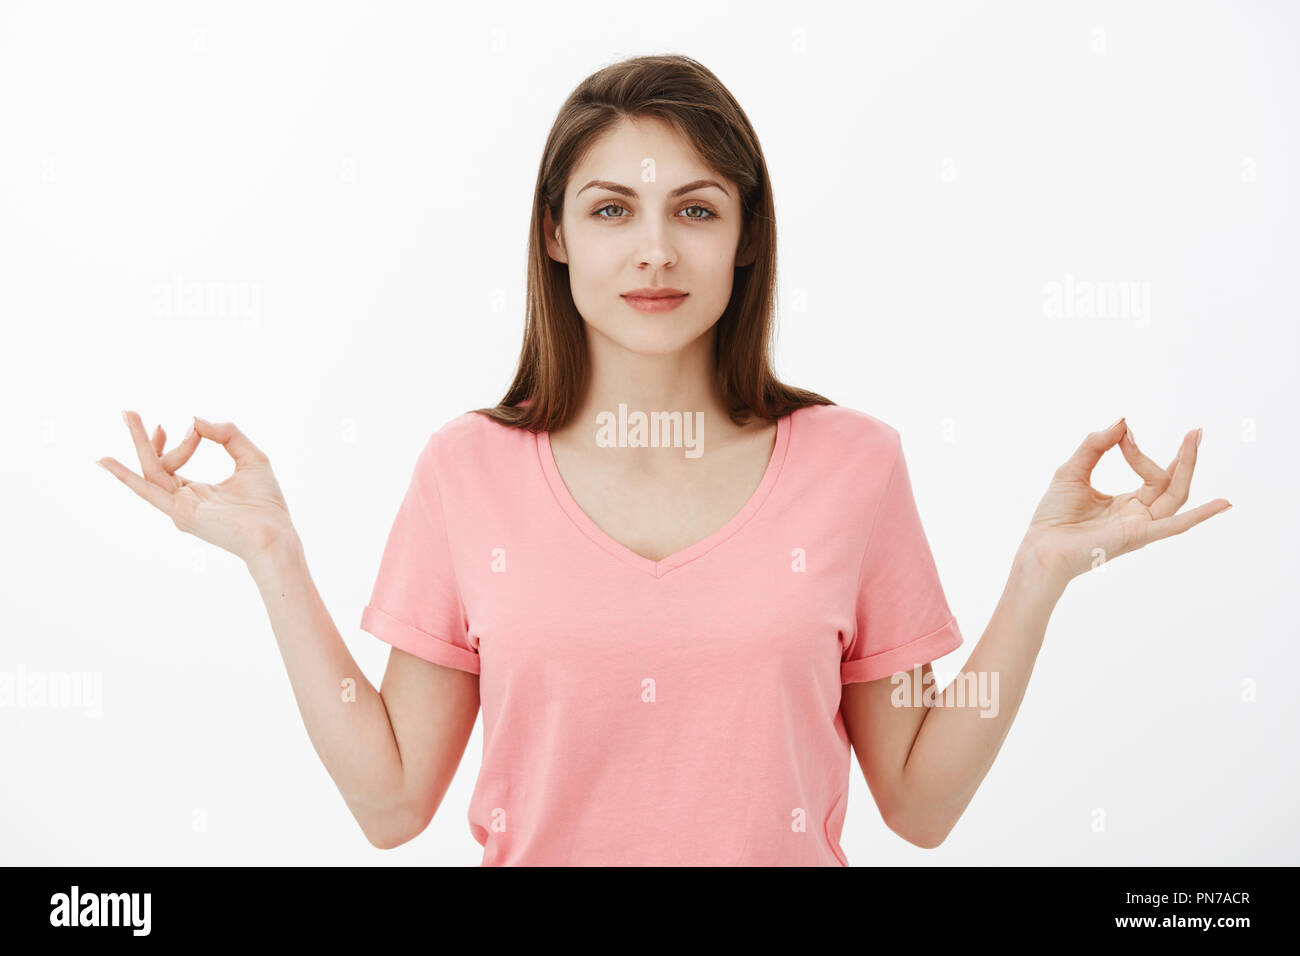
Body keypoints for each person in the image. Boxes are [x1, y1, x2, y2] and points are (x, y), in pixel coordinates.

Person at [97, 54, 1231, 866]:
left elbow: (920, 805)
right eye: (609, 209)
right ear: (555, 233)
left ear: (744, 239)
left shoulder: (854, 465)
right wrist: (270, 553)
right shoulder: (465, 471)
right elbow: (393, 803)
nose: (653, 249)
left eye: (694, 209)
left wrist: (1037, 572)